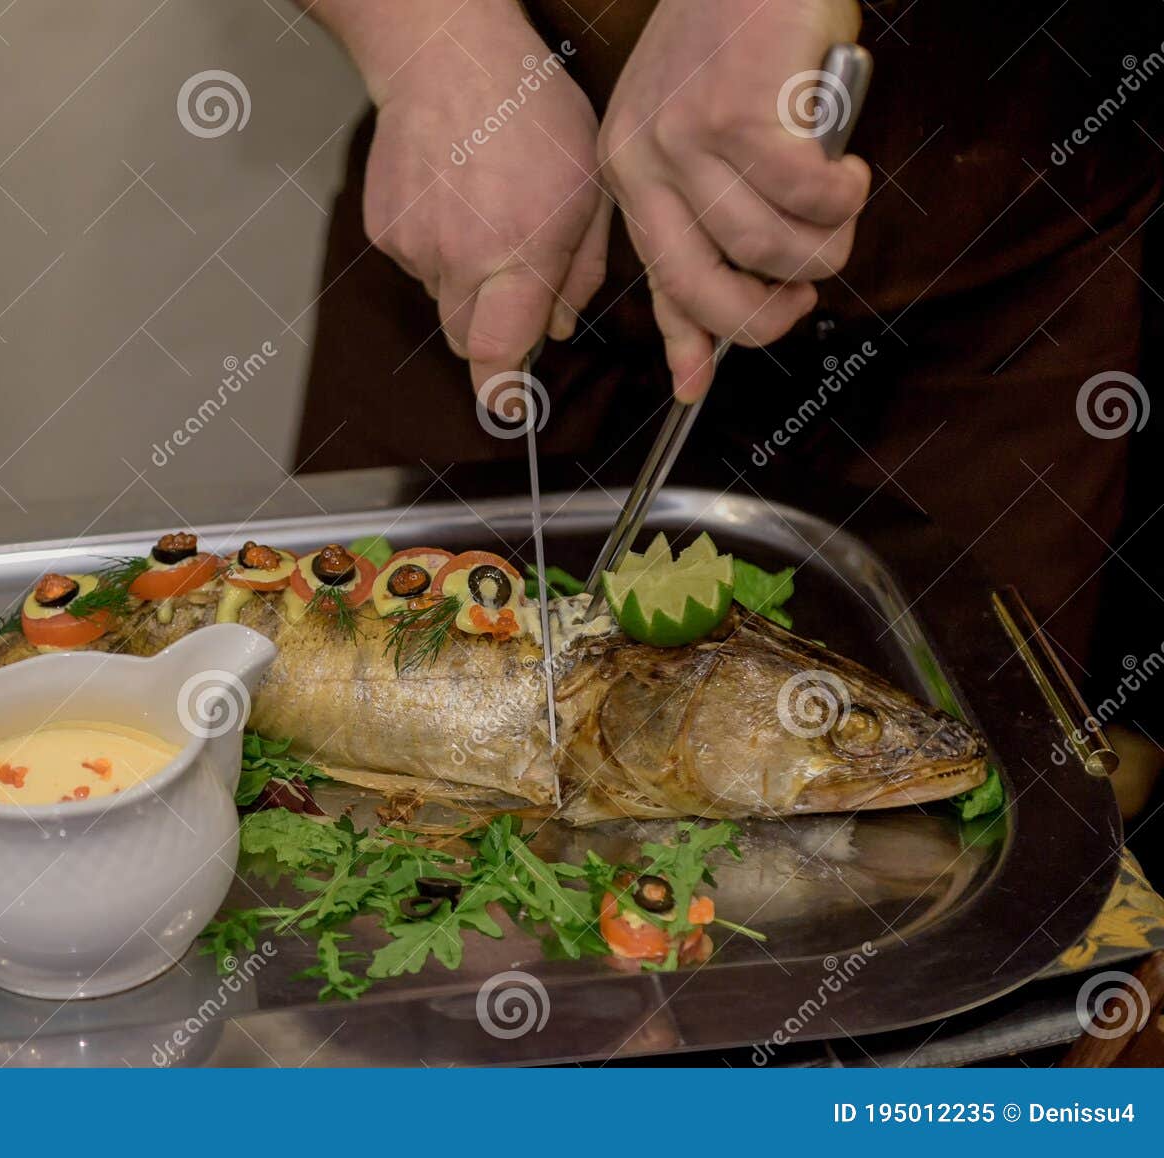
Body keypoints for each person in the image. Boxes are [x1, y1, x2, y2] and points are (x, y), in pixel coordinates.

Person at [295, 0, 1163, 677]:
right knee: (331, 673)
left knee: (947, 771)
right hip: (487, 213)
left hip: (996, 249)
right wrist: (432, 43)